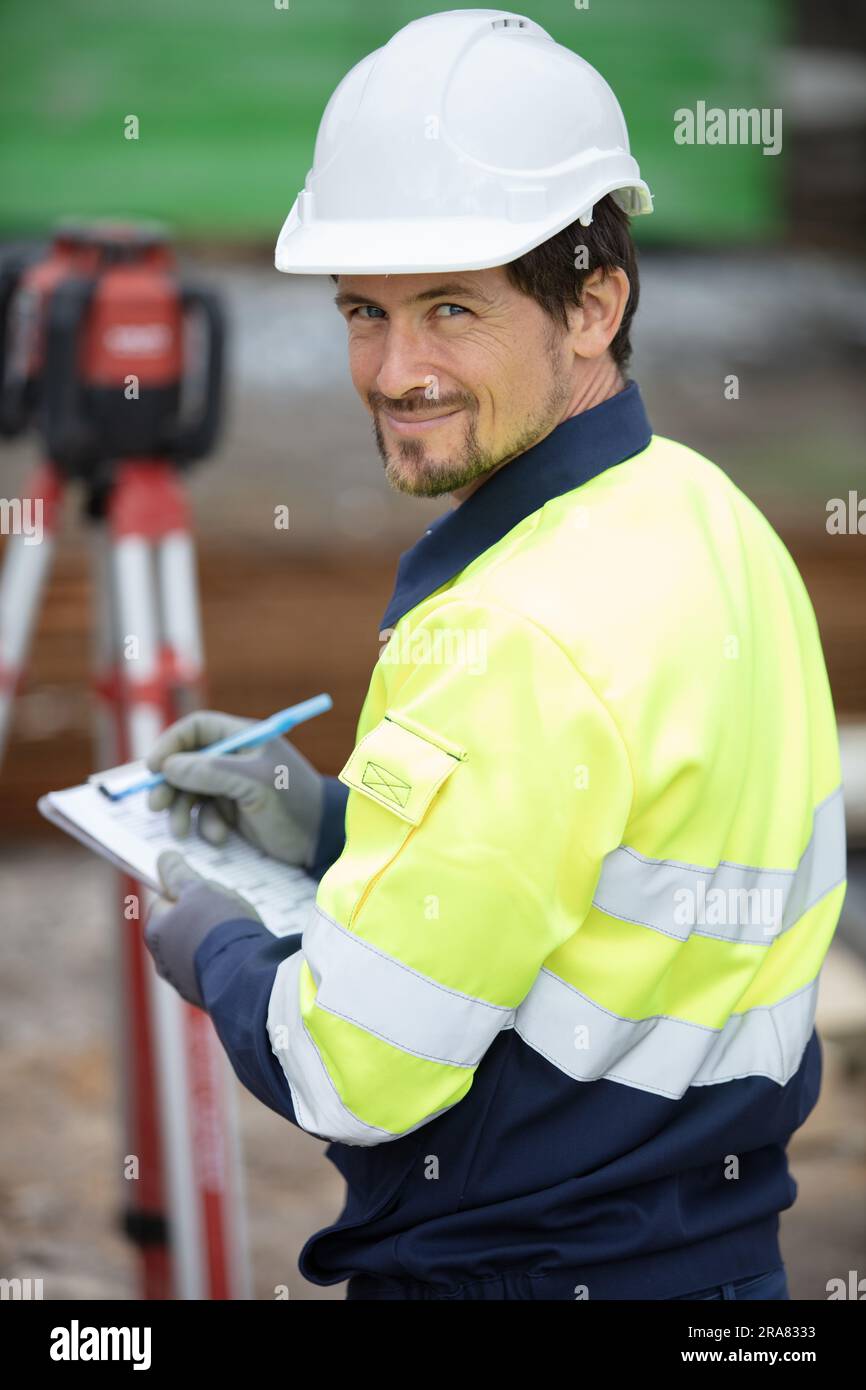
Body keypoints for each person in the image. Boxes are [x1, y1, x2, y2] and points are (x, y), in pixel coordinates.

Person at [143, 10, 846, 1300]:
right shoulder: (710, 514)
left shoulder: (503, 629)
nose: (395, 372)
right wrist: (331, 831)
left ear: (593, 305)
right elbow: (602, 873)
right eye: (366, 311)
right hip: (721, 1270)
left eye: (451, 309)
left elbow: (350, 1070)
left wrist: (213, 941)